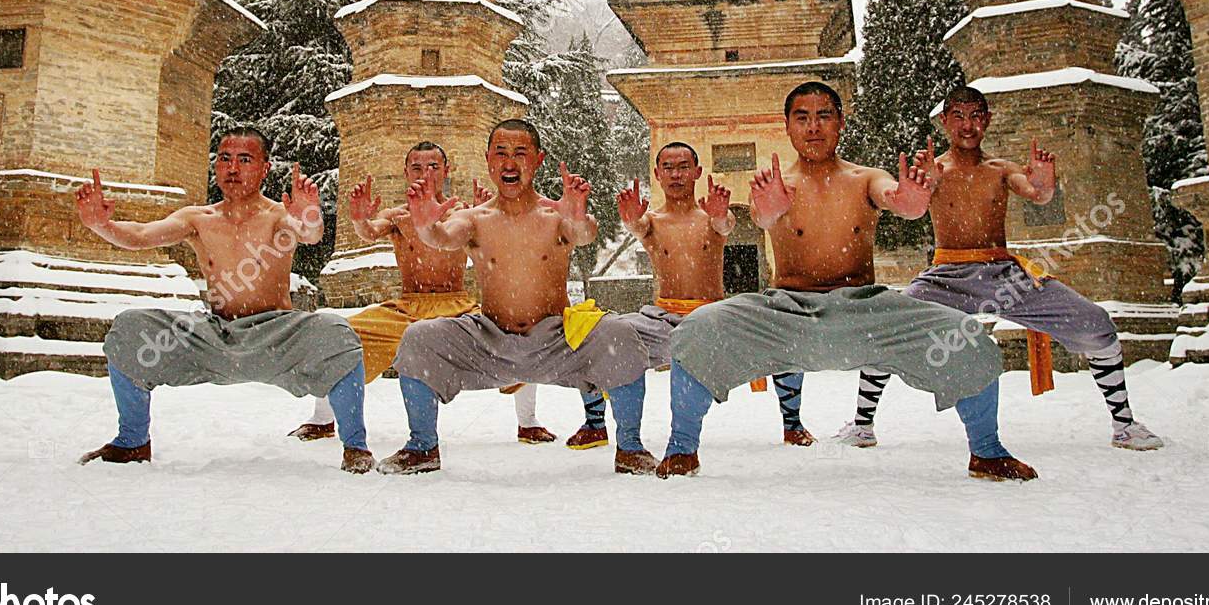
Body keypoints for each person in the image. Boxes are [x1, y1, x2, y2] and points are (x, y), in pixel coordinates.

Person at [660, 82, 1036, 482]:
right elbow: (762, 216)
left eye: (824, 116)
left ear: (841, 122)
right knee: (697, 331)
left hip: (867, 311)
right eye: (802, 117)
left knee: (969, 337)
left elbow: (898, 200)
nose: (813, 127)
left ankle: (987, 451)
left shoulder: (865, 178)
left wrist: (911, 199)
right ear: (787, 126)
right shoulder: (776, 183)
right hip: (788, 314)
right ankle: (681, 447)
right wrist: (769, 210)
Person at [833, 85, 1164, 451]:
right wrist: (920, 185)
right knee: (887, 327)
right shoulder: (936, 169)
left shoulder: (1001, 169)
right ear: (945, 121)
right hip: (947, 277)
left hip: (1004, 275)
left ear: (987, 120)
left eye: (976, 115)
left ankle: (1124, 425)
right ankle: (862, 425)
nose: (967, 125)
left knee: (1096, 323)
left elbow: (1036, 192)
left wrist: (1042, 184)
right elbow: (915, 203)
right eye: (958, 116)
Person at [76, 126, 373, 474]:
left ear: (264, 168)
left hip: (277, 336)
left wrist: (309, 214)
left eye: (245, 159)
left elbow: (311, 234)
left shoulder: (279, 215)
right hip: (215, 336)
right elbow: (141, 235)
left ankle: (356, 446)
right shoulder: (197, 218)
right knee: (130, 327)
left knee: (337, 332)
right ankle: (132, 442)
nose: (232, 168)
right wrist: (101, 225)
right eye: (225, 159)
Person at [378, 119, 652, 475]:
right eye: (501, 154)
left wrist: (577, 214)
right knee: (419, 338)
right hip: (489, 339)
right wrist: (426, 224)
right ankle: (422, 447)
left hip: (557, 341)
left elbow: (583, 233)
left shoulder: (557, 214)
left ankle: (630, 448)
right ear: (489, 160)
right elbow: (442, 238)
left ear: (537, 161)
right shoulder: (474, 218)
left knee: (622, 335)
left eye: (520, 154)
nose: (510, 163)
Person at [288, 141, 556, 445]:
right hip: (406, 307)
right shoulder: (398, 215)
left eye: (433, 166)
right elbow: (369, 231)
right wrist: (360, 218)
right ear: (405, 172)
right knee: (340, 338)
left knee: (515, 336)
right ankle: (322, 418)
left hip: (457, 306)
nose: (425, 173)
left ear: (446, 171)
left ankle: (528, 422)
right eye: (417, 167)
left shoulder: (463, 213)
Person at [564, 142, 732, 451]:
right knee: (598, 335)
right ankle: (598, 425)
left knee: (780, 324)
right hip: (663, 321)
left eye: (683, 166)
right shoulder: (652, 220)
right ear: (657, 174)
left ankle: (792, 424)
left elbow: (725, 224)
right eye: (668, 167)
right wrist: (630, 221)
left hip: (708, 319)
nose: (676, 174)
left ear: (697, 172)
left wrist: (720, 216)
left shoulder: (711, 217)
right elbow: (638, 227)